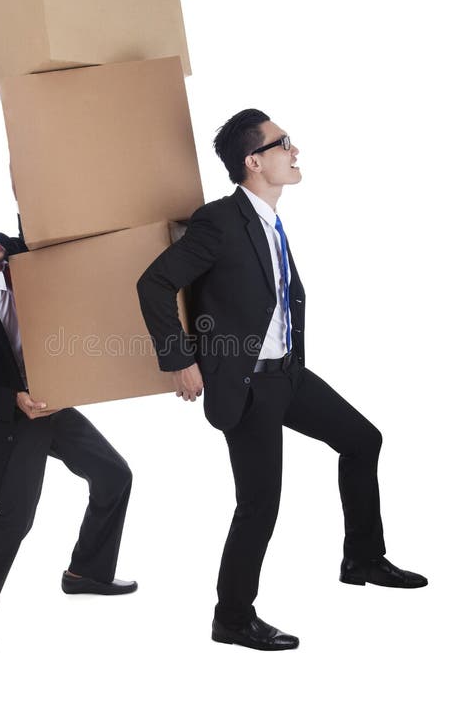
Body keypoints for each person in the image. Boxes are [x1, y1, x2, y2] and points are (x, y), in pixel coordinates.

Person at [137, 108, 427, 652]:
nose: (294, 151)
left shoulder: (267, 219)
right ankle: (232, 618)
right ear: (253, 161)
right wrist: (179, 359)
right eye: (283, 143)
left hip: (288, 374)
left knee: (363, 440)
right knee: (260, 504)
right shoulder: (220, 221)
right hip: (246, 384)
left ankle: (362, 557)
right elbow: (154, 283)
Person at [0, 208, 137, 655]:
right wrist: (12, 401)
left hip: (49, 398)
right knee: (15, 520)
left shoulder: (9, 250)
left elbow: (43, 234)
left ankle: (86, 572)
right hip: (9, 422)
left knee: (114, 475)